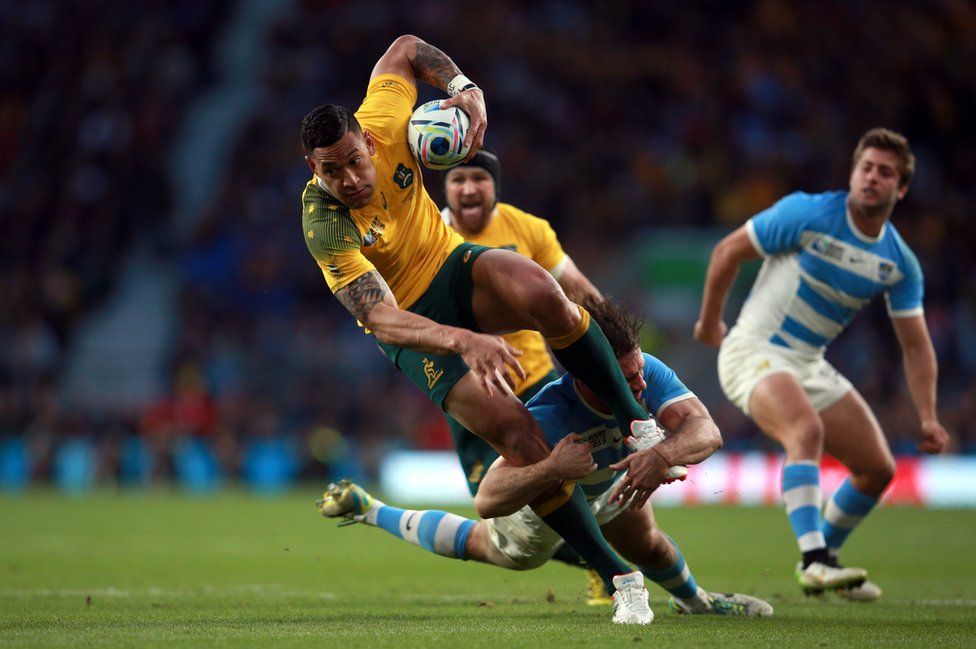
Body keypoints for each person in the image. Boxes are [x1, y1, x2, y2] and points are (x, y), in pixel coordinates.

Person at [300, 35, 660, 623]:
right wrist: (461, 339)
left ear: (368, 141)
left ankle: (637, 423)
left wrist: (466, 90)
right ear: (312, 168)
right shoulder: (323, 221)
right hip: (416, 328)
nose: (349, 179)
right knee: (520, 441)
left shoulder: (385, 117)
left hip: (451, 265)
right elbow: (379, 318)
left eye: (354, 161)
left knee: (548, 293)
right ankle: (620, 579)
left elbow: (406, 48)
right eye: (330, 170)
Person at [319, 299, 772, 622]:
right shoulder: (548, 416)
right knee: (489, 546)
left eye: (637, 373)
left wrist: (662, 454)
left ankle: (699, 604)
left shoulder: (647, 371)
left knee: (649, 543)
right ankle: (371, 510)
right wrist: (551, 468)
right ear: (586, 376)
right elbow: (489, 498)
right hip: (550, 499)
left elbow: (705, 430)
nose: (637, 387)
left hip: (616, 482)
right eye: (625, 378)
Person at [693, 128, 950, 600]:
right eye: (866, 168)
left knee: (878, 469)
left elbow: (915, 346)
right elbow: (727, 251)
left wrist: (929, 416)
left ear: (902, 188)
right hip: (753, 350)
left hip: (808, 363)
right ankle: (813, 560)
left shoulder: (898, 263)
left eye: (885, 172)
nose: (872, 178)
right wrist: (711, 323)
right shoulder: (807, 214)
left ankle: (823, 557)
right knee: (804, 430)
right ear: (853, 174)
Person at [439, 149, 609, 603]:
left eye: (479, 178)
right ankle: (599, 556)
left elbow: (576, 287)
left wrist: (614, 344)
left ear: (495, 186)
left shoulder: (529, 229)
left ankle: (607, 564)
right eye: (458, 179)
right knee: (501, 507)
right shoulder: (427, 235)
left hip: (531, 379)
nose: (469, 188)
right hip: (468, 390)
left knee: (554, 484)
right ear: (445, 187)